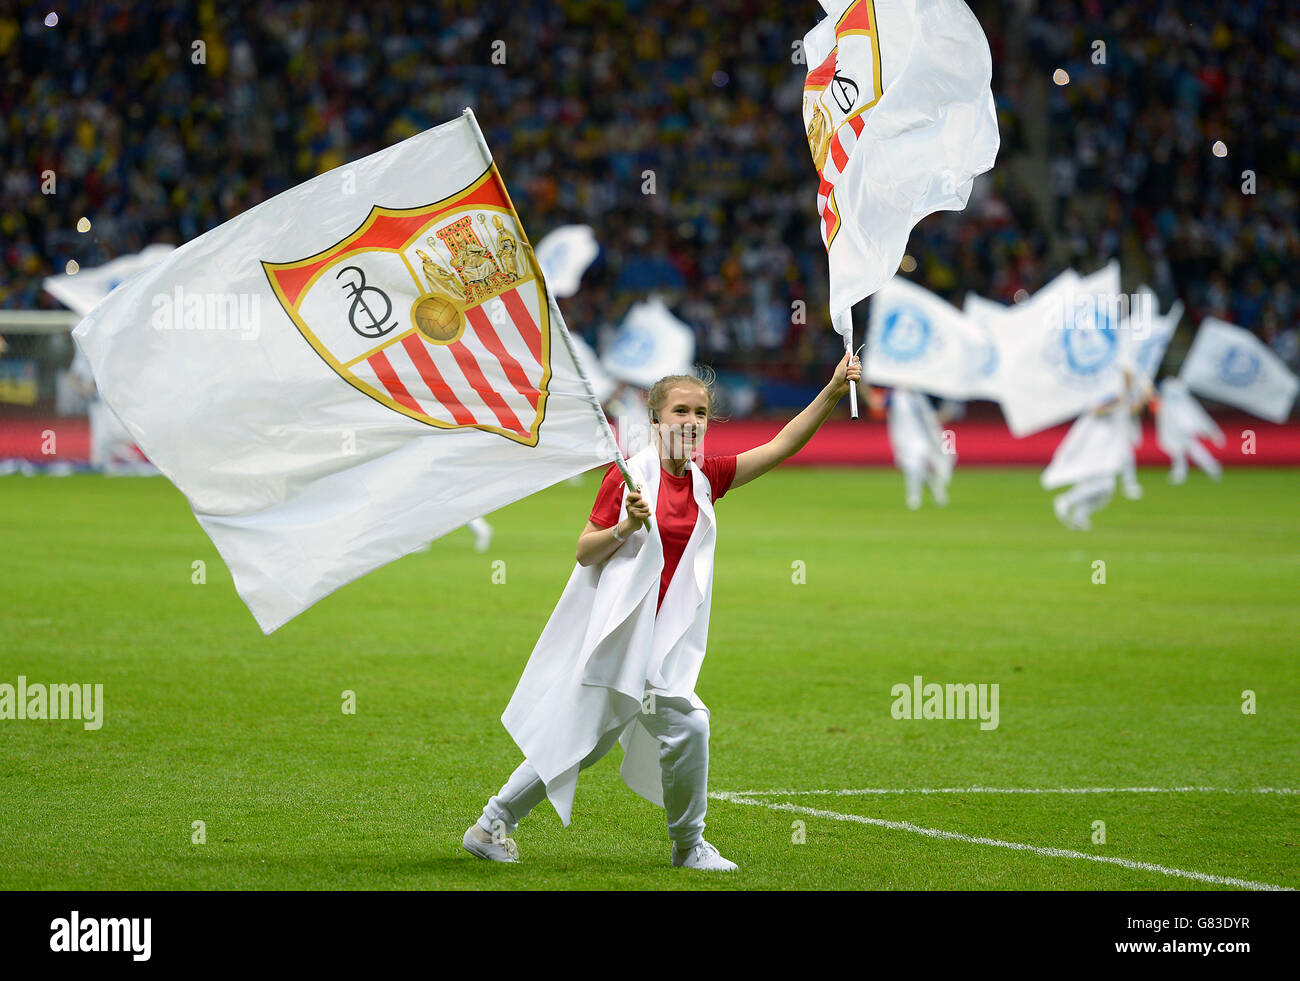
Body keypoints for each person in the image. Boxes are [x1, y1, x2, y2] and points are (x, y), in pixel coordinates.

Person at [463, 351, 862, 870]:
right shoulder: (627, 476)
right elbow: (585, 550)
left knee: (587, 736)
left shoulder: (706, 479)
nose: (692, 422)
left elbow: (781, 445)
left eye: (700, 413)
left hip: (657, 641)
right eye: (680, 411)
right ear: (654, 419)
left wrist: (832, 391)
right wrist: (624, 527)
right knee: (682, 724)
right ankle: (688, 846)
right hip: (622, 635)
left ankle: (492, 824)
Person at [1043, 365, 1152, 531]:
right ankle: (1066, 500)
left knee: (1105, 490)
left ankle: (1079, 515)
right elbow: (1095, 409)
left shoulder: (1126, 392)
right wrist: (1120, 402)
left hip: (1111, 441)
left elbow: (1132, 410)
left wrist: (1140, 399)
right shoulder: (1108, 386)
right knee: (1104, 485)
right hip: (1095, 440)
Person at [1155, 376, 1224, 484]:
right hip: (1177, 429)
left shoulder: (1179, 401)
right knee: (1179, 451)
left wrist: (1211, 431)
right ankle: (1181, 473)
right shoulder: (1171, 402)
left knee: (1191, 450)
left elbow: (1195, 415)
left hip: (1184, 429)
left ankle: (1212, 468)